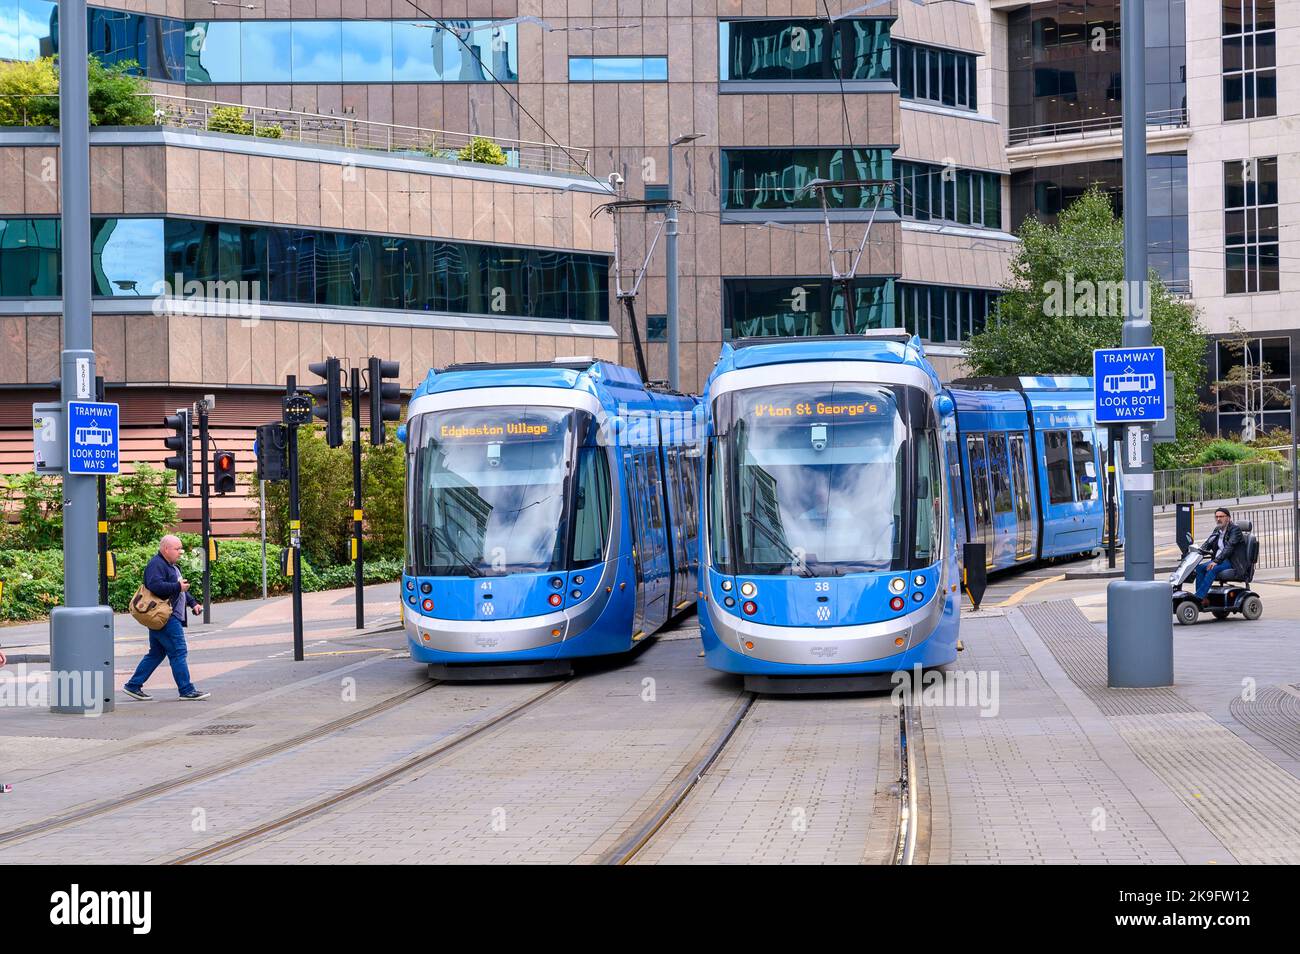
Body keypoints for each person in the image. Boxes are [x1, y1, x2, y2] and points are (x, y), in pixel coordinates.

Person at [123, 534, 209, 701]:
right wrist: (177, 586)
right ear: (166, 549)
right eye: (177, 549)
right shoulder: (156, 565)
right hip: (165, 617)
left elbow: (181, 589)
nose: (180, 552)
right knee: (179, 651)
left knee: (156, 652)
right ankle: (186, 690)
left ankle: (133, 685)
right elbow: (155, 586)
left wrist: (193, 603)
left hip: (164, 616)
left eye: (180, 549)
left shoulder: (171, 566)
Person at [1192, 508, 1249, 606]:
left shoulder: (1235, 530)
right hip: (1220, 560)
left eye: (1221, 516)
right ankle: (1204, 599)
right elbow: (1208, 543)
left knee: (1212, 569)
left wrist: (1216, 561)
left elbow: (1229, 548)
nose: (1218, 519)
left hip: (1232, 561)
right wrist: (1197, 552)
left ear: (1228, 518)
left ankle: (1198, 597)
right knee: (1200, 568)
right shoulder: (1217, 529)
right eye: (1217, 517)